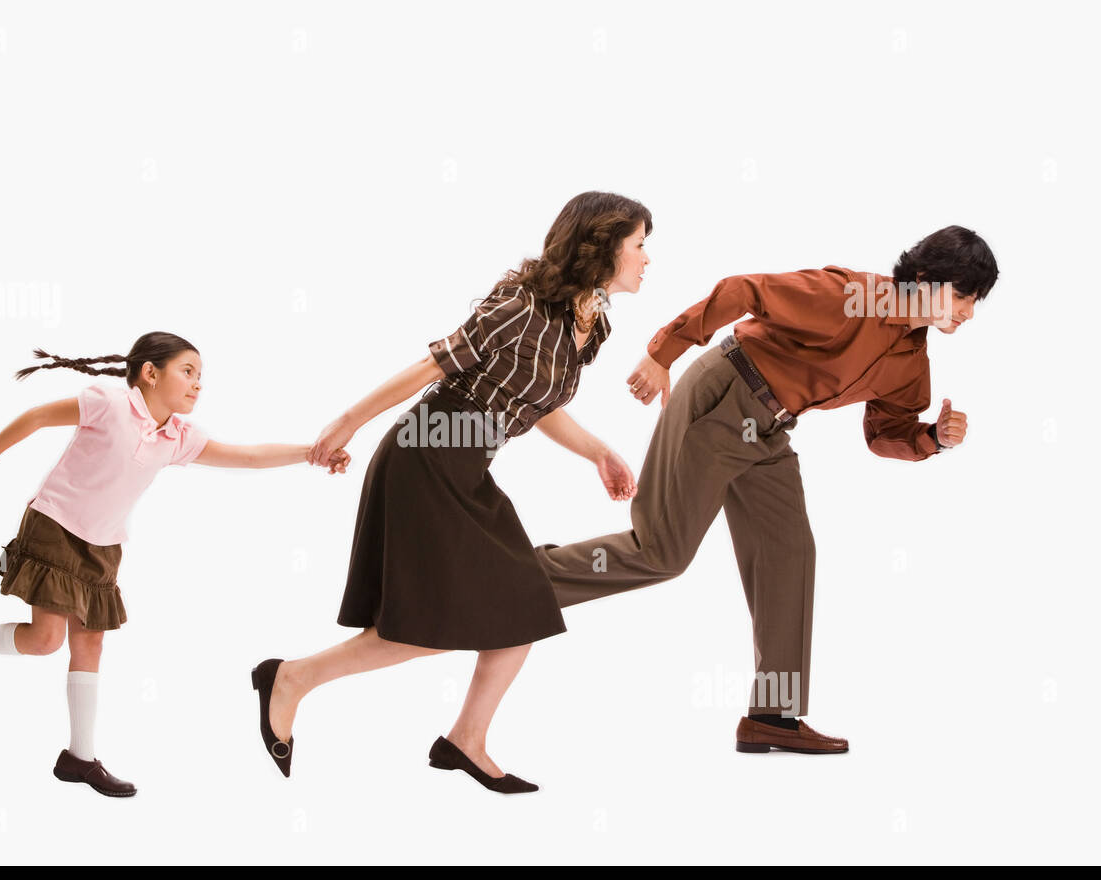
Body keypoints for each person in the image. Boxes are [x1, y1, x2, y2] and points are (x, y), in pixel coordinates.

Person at [533, 225, 999, 755]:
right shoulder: (852, 297)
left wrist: (932, 439)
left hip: (770, 427)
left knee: (789, 552)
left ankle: (772, 718)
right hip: (726, 390)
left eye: (975, 301)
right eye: (962, 295)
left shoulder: (912, 365)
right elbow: (743, 290)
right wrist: (664, 352)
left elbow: (885, 435)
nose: (967, 311)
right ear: (923, 279)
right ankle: (520, 580)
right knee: (661, 552)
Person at [251, 191, 651, 793]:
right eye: (641, 245)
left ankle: (466, 739)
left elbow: (533, 405)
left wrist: (599, 451)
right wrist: (346, 422)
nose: (648, 259)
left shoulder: (588, 325)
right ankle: (290, 679)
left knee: (523, 608)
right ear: (603, 246)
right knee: (433, 622)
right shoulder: (522, 302)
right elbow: (433, 366)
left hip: (468, 467)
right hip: (427, 454)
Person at [0, 332, 348, 797]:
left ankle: (80, 758)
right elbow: (40, 416)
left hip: (104, 546)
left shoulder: (177, 437)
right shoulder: (110, 403)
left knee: (90, 647)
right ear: (149, 373)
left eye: (202, 377)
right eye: (188, 372)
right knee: (44, 642)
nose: (198, 384)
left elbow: (247, 457)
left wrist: (311, 454)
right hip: (56, 525)